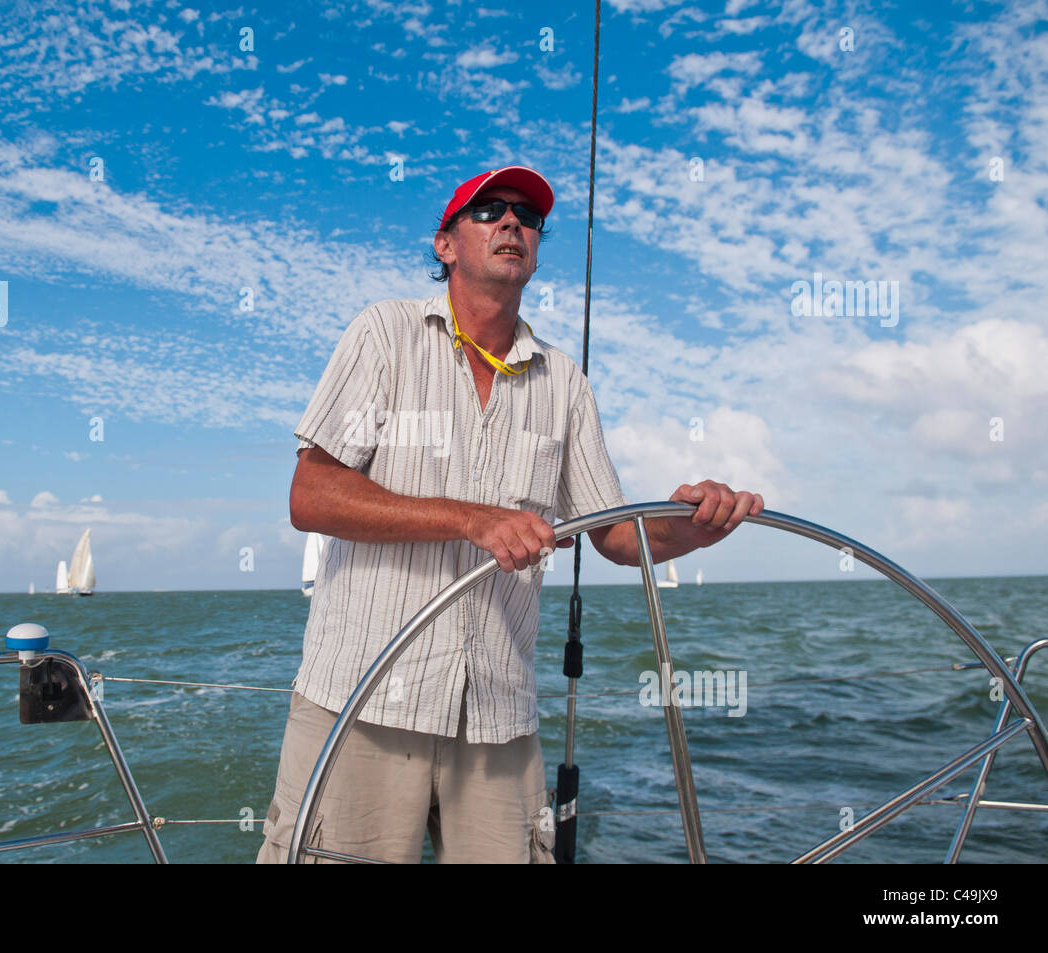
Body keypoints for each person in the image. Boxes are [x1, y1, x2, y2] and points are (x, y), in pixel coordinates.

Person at [256, 165, 764, 863]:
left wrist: (695, 526)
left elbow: (616, 534)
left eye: (526, 216)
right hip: (362, 704)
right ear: (445, 245)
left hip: (498, 716)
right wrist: (470, 517)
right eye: (489, 209)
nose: (512, 223)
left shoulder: (564, 383)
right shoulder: (384, 333)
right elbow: (310, 494)